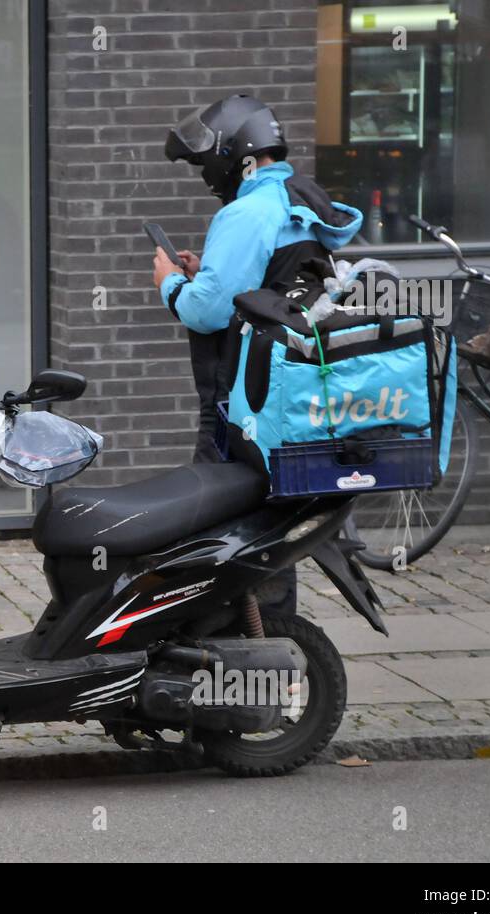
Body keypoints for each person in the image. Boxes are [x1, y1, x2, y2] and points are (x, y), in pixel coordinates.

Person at [154, 94, 363, 613]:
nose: (207, 173)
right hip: (280, 396)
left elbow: (208, 311)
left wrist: (170, 284)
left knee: (211, 530)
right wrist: (210, 269)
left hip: (237, 403)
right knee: (264, 528)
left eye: (207, 161)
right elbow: (267, 289)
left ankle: (222, 656)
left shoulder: (247, 212)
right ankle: (268, 654)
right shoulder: (298, 202)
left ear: (236, 154)